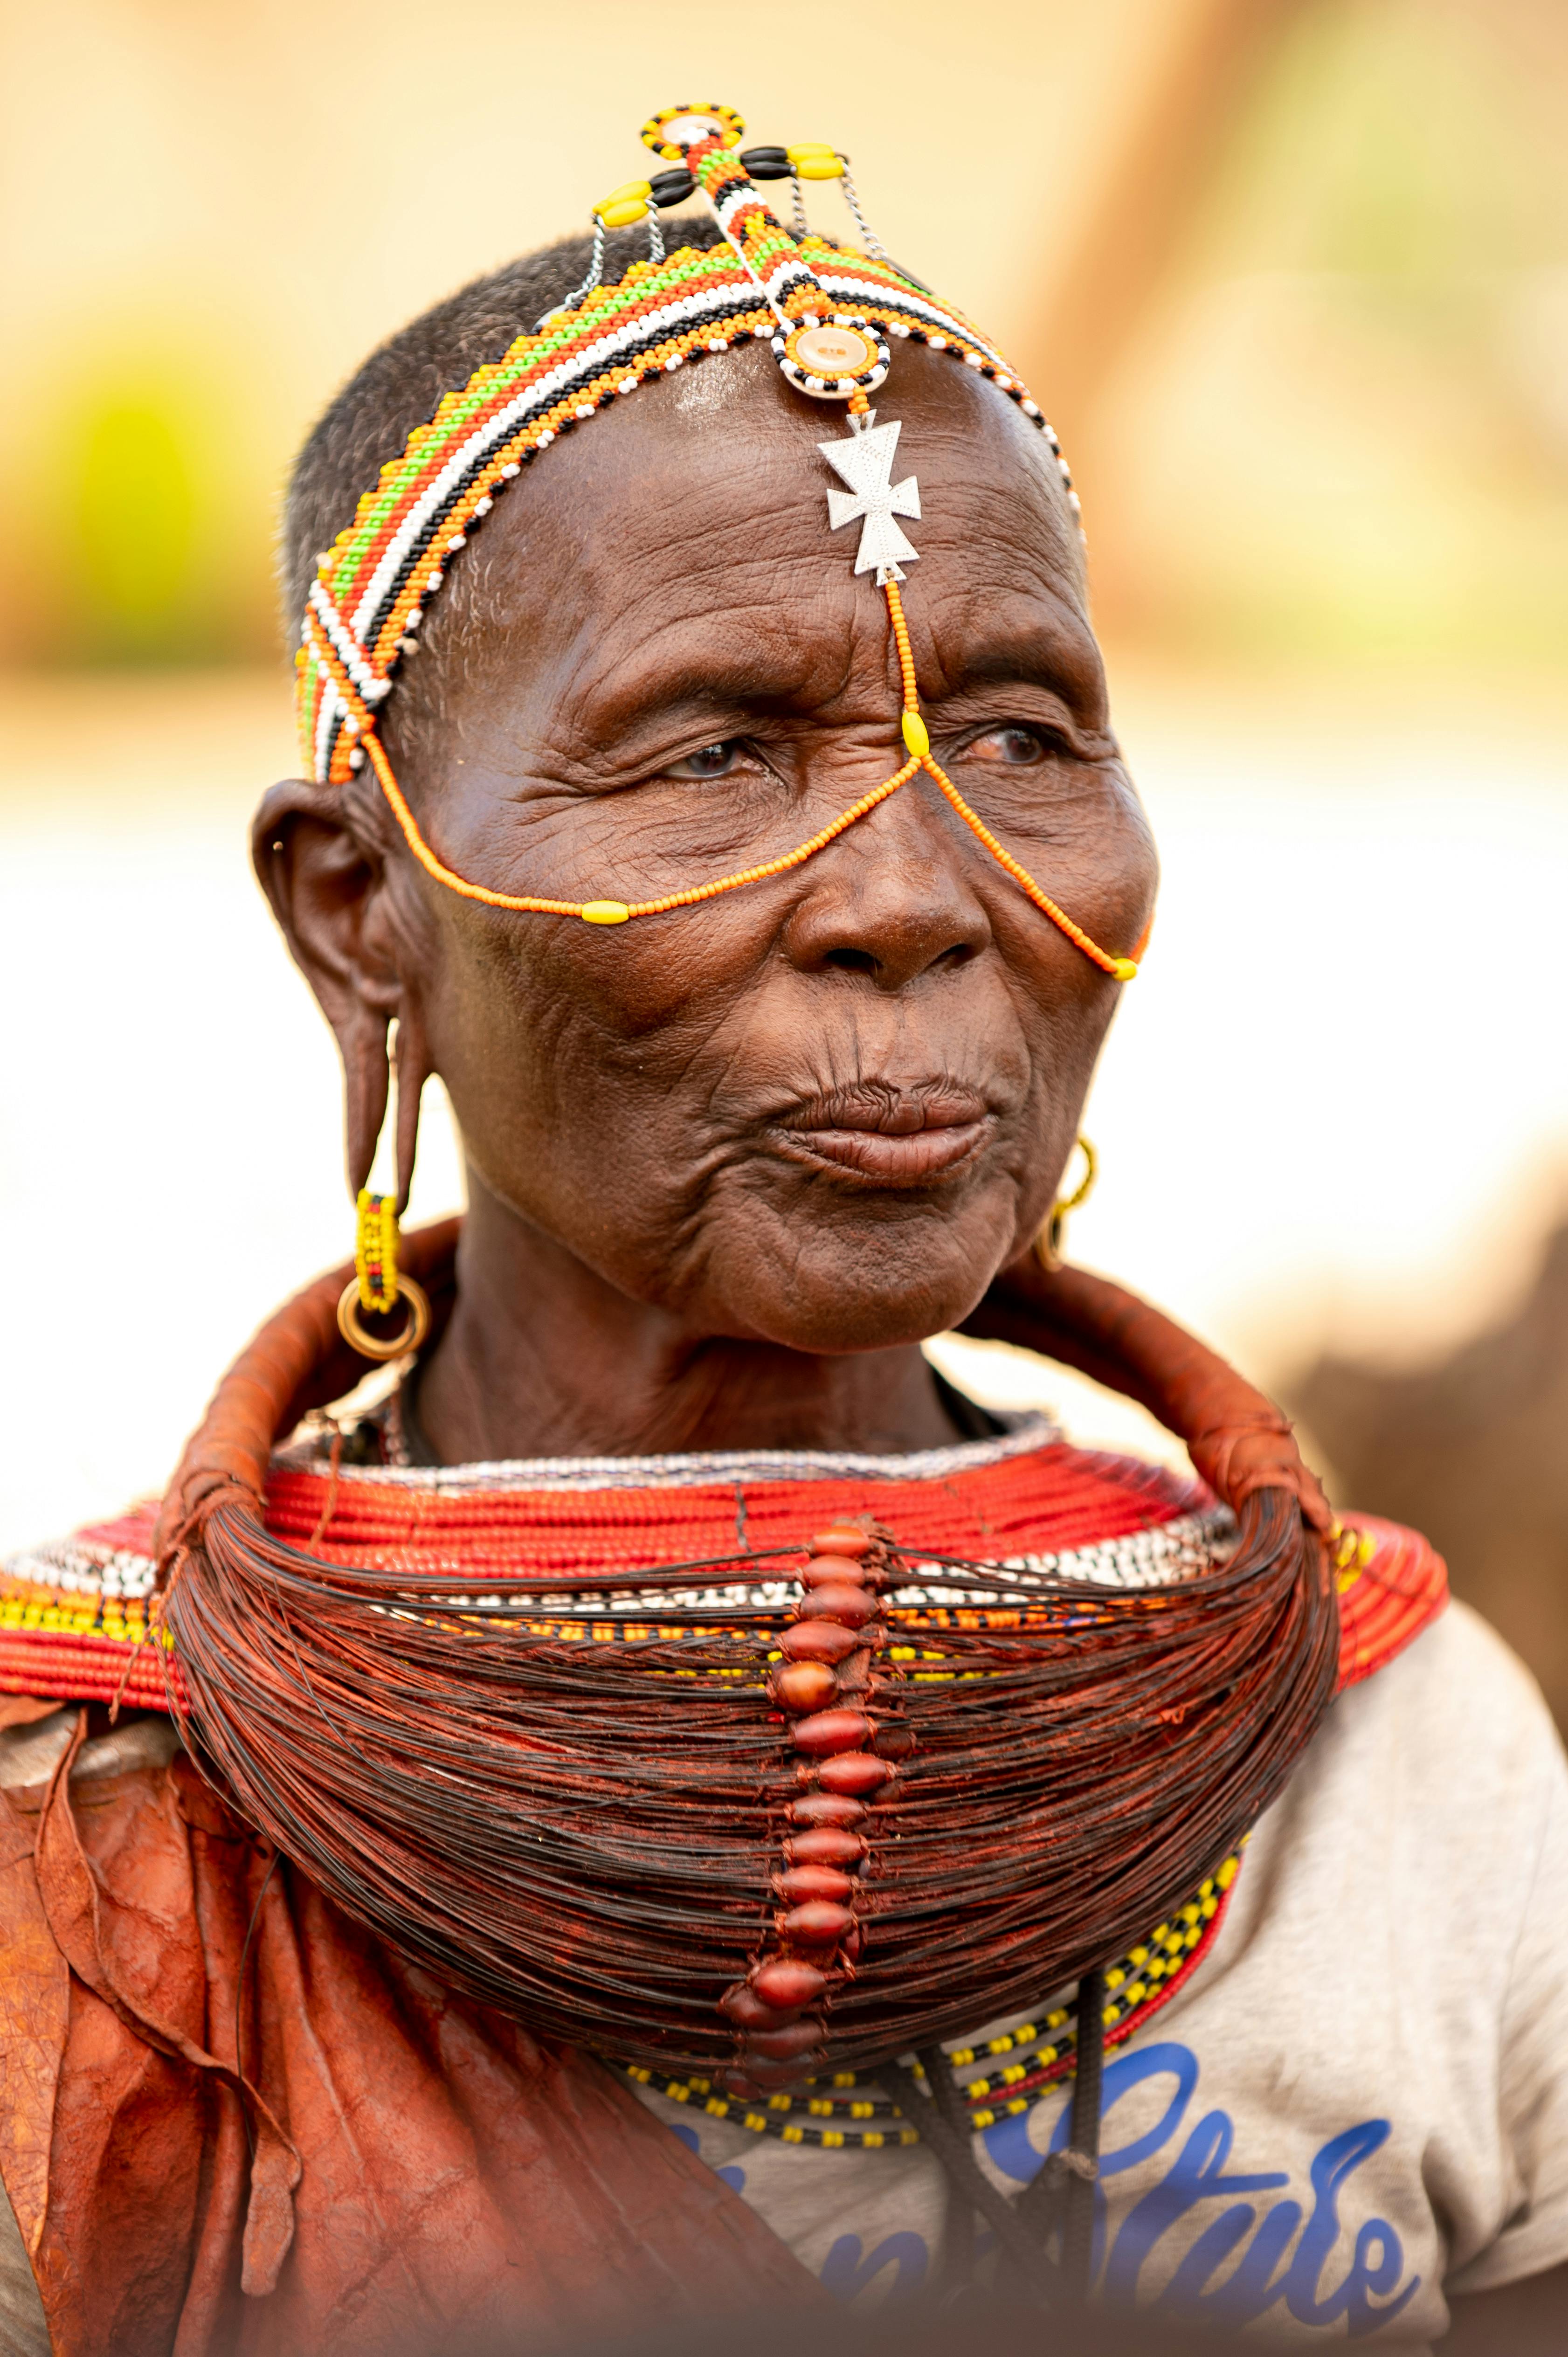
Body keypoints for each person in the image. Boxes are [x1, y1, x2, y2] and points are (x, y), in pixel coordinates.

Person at [0, 103, 1562, 2357]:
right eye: (715, 753)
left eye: (1019, 734)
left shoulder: (1388, 1745)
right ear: (358, 914)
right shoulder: (87, 1823)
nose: (915, 896)